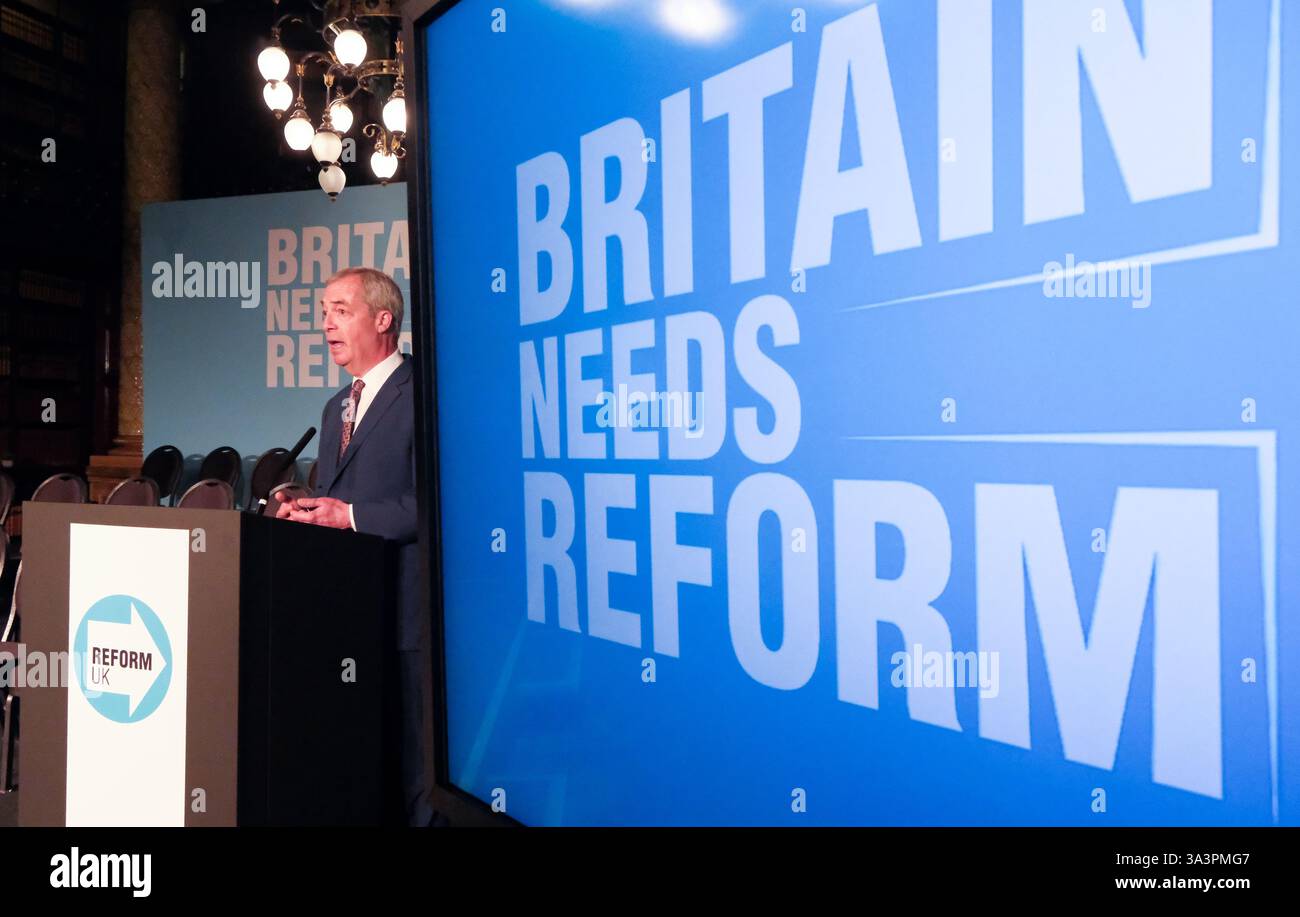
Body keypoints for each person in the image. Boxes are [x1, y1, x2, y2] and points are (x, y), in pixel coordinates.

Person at [274, 266, 434, 827]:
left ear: (383, 318)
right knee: (367, 756)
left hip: (409, 614)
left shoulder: (425, 393)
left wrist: (352, 517)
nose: (326, 325)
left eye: (340, 310)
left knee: (418, 763)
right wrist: (308, 507)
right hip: (350, 613)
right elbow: (338, 498)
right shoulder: (336, 406)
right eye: (323, 312)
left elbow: (436, 504)